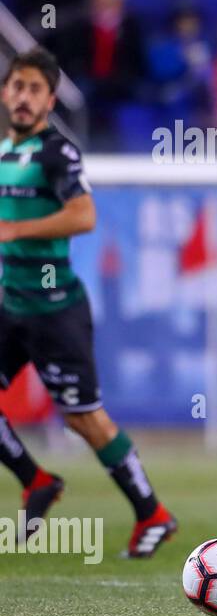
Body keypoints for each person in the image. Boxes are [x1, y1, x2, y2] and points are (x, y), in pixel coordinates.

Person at [0, 48, 178, 557]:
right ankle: (36, 481)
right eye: (18, 86)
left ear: (50, 100)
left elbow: (83, 216)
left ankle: (154, 513)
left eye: (36, 89)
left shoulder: (58, 152)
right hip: (12, 305)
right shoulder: (4, 153)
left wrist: (16, 229)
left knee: (85, 420)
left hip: (55, 310)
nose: (24, 97)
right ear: (5, 93)